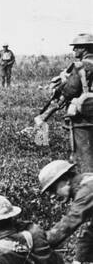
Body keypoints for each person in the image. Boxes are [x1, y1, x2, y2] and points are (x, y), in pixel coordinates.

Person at [35, 31, 93, 174]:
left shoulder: (82, 65)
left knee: (84, 154)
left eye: (76, 47)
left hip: (83, 118)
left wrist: (61, 89)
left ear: (84, 48)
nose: (74, 50)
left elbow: (71, 90)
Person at [38, 159, 93, 264]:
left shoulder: (87, 190)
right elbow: (90, 227)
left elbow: (68, 224)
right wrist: (78, 260)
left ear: (66, 179)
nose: (52, 196)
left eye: (53, 189)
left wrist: (39, 244)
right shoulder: (85, 182)